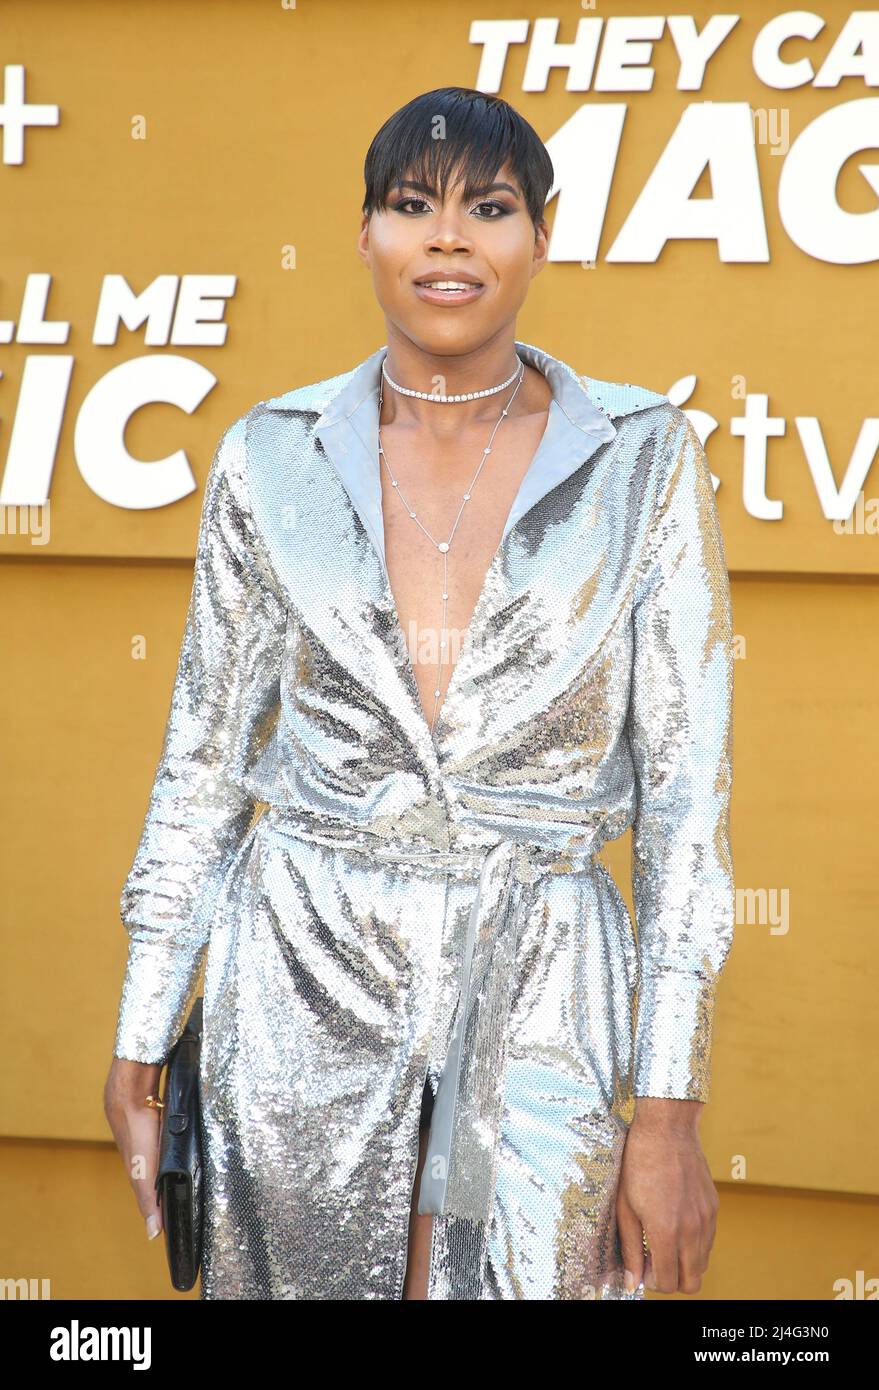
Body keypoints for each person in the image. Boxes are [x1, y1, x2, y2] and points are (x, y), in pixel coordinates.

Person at [104, 86, 734, 1301]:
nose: (448, 239)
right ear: (366, 234)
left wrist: (669, 1112)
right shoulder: (268, 458)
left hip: (545, 977)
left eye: (487, 208)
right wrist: (142, 1024)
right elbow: (201, 767)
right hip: (300, 975)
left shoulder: (645, 458)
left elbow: (688, 810)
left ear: (540, 237)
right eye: (412, 206)